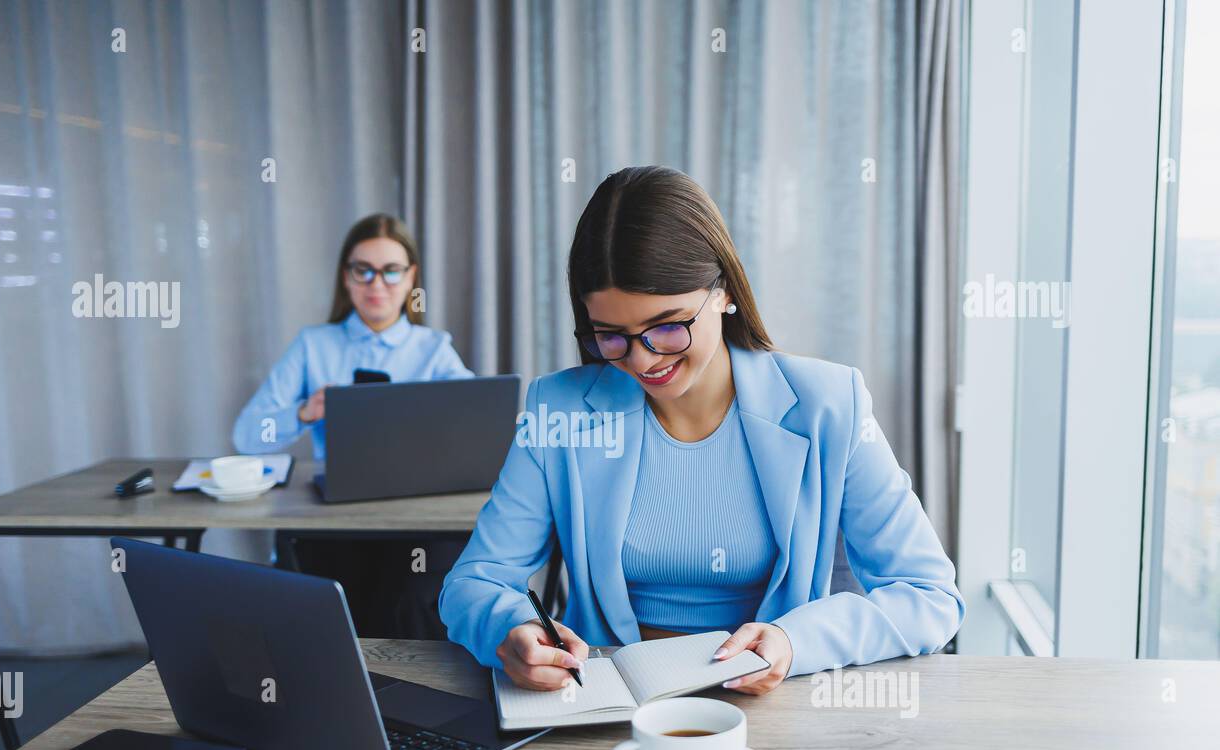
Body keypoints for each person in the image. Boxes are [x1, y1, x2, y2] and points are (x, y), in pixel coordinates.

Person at [439, 166, 964, 693]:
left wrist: (794, 641)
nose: (643, 361)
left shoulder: (829, 404)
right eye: (611, 336)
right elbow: (473, 582)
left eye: (667, 326)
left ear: (725, 292)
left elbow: (928, 595)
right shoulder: (560, 408)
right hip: (603, 705)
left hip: (769, 705)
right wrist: (514, 628)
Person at [234, 213, 472, 639]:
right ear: (347, 278)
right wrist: (305, 411)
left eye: (390, 271)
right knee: (330, 599)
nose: (376, 284)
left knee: (419, 592)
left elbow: (479, 427)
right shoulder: (314, 345)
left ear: (410, 277)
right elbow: (248, 435)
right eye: (362, 270)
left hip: (417, 515)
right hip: (338, 516)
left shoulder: (434, 349)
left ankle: (411, 695)